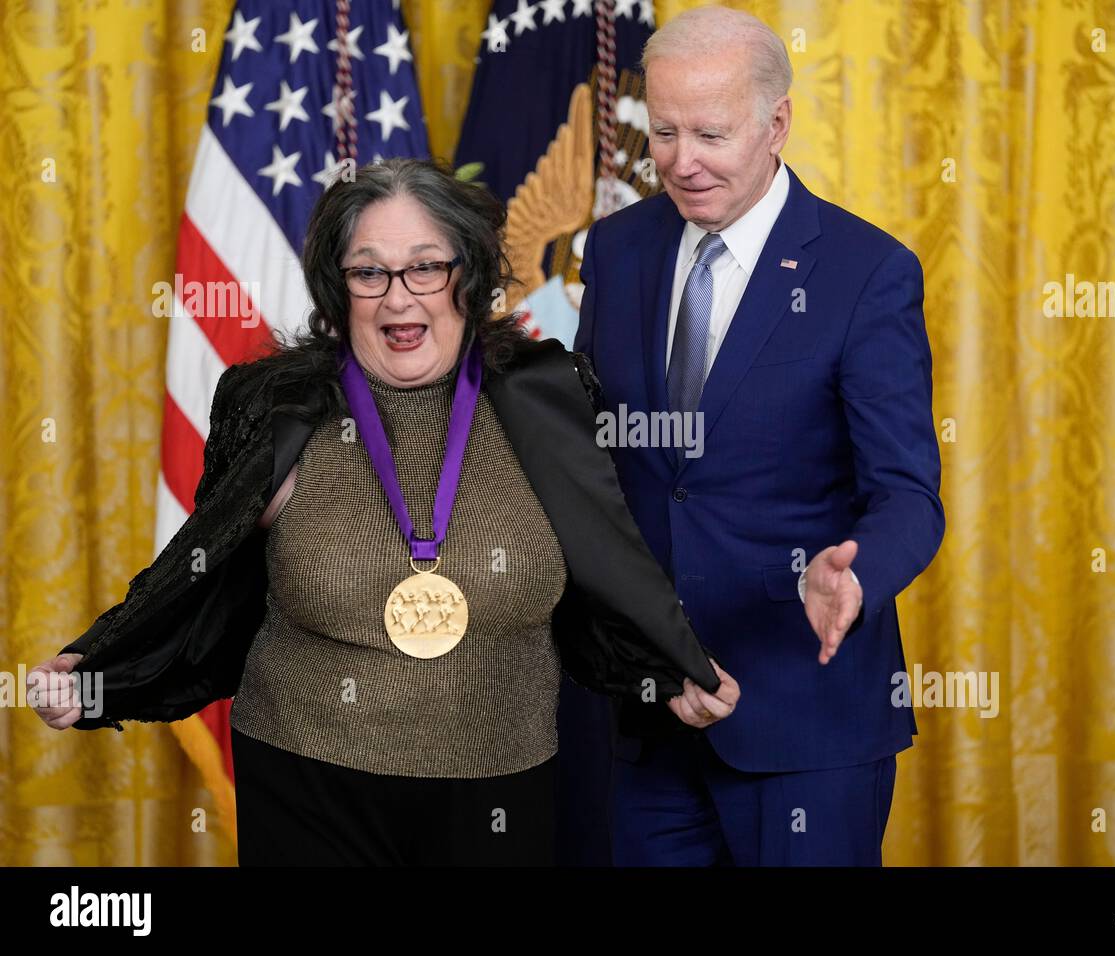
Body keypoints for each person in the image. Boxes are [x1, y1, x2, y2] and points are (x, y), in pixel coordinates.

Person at [27, 156, 740, 866]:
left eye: (426, 266)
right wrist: (100, 668)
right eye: (369, 273)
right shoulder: (276, 407)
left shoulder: (549, 398)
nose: (399, 297)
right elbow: (204, 576)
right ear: (339, 291)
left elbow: (600, 577)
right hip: (307, 782)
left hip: (500, 787)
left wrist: (668, 672)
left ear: (470, 275)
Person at [575, 6, 945, 866]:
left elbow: (908, 496)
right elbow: (595, 460)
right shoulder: (618, 249)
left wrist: (855, 579)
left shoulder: (867, 273)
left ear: (777, 123)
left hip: (805, 725)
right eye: (662, 131)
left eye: (710, 133)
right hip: (646, 720)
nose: (680, 161)